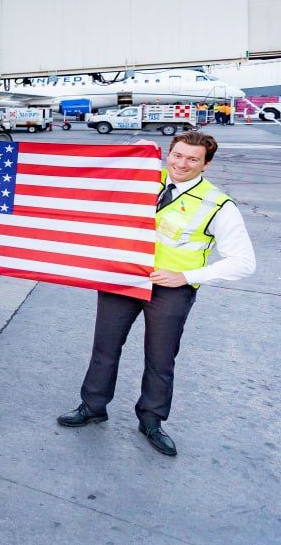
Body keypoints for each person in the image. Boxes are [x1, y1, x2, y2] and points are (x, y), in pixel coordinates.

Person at [57, 131, 255, 456]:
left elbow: (244, 262)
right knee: (104, 347)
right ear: (168, 154)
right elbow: (105, 173)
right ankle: (93, 406)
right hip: (122, 279)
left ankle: (151, 420)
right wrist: (134, 150)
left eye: (193, 159)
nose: (182, 164)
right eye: (177, 155)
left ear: (207, 164)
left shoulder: (218, 204)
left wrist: (187, 276)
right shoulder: (146, 178)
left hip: (170, 289)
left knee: (160, 359)